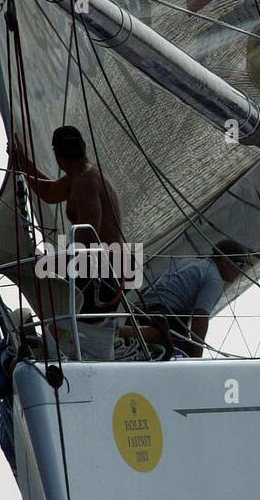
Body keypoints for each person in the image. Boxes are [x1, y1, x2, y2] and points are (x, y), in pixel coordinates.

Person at [14, 125, 124, 360]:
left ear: (57, 155)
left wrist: (46, 263)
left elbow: (86, 245)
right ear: (83, 148)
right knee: (44, 271)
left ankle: (61, 357)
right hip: (106, 271)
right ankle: (64, 350)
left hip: (102, 279)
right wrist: (21, 160)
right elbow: (50, 192)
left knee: (38, 272)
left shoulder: (85, 182)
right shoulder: (83, 175)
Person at [118, 239, 246, 358]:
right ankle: (116, 331)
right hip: (160, 315)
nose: (241, 270)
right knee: (175, 341)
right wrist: (197, 359)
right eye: (240, 265)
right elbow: (200, 318)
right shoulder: (214, 279)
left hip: (138, 312)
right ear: (224, 261)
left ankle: (125, 333)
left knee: (182, 338)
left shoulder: (190, 262)